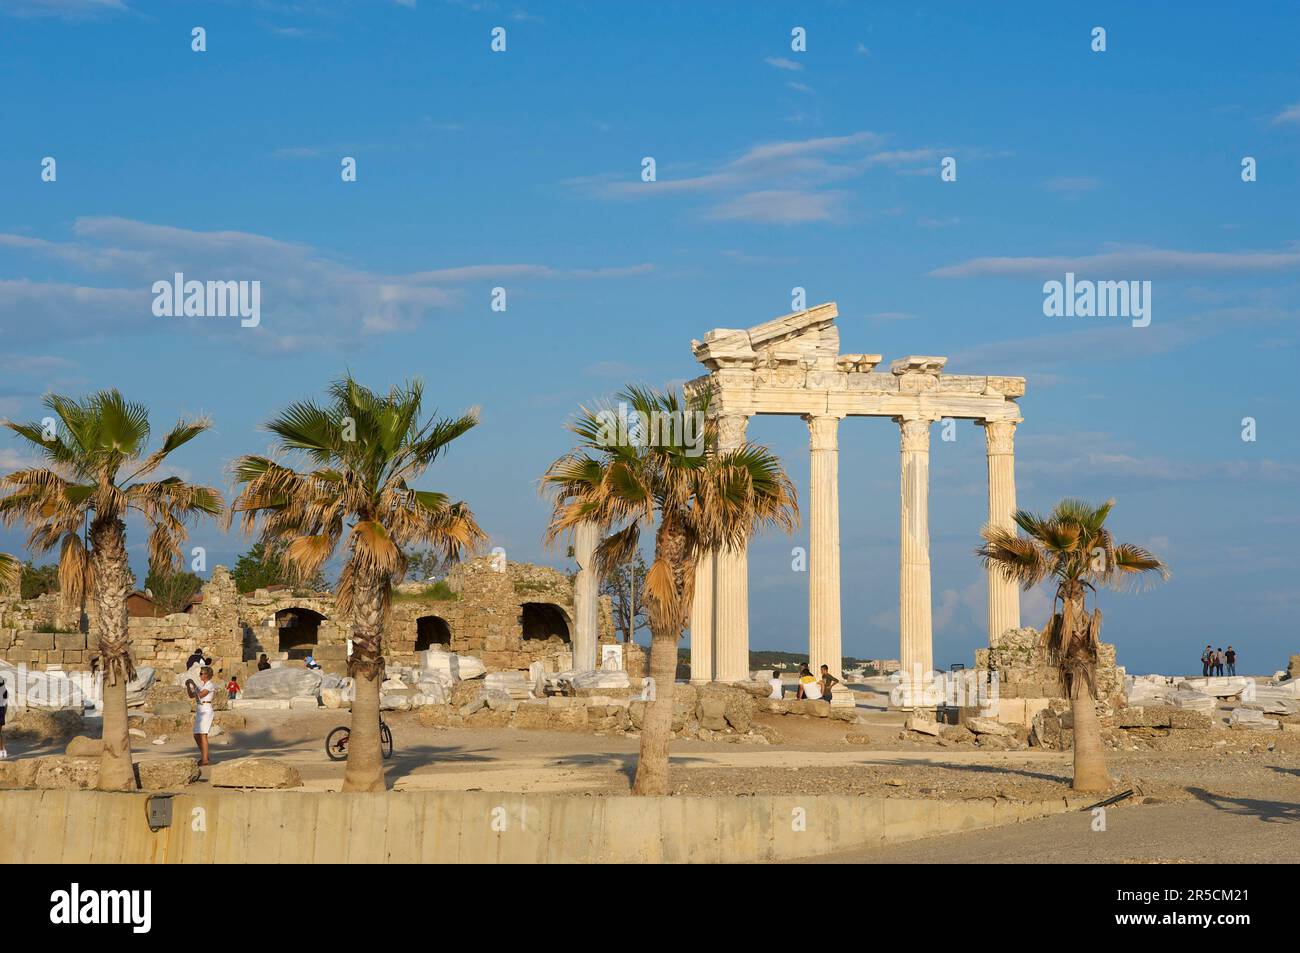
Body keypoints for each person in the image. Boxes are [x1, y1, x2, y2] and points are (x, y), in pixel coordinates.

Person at [186, 665, 216, 766]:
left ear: (207, 675)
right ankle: (204, 754)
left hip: (206, 709)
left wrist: (193, 685)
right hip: (200, 710)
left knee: (203, 734)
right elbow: (191, 695)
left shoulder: (210, 685)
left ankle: (205, 759)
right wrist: (188, 686)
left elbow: (201, 695)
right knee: (196, 734)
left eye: (201, 673)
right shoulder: (201, 685)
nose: (200, 675)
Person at [0, 674, 8, 760]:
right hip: (2, 711)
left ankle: (2, 751)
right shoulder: (5, 692)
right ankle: (3, 751)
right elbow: (6, 705)